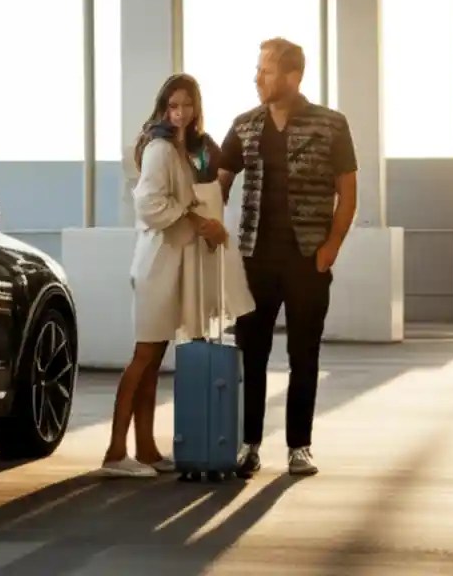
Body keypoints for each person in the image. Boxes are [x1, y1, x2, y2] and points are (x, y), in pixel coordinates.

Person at [218, 37, 358, 477]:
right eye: (258, 69)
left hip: (306, 260)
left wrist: (330, 249)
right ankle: (249, 445)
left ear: (293, 77)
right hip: (255, 261)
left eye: (266, 70)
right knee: (251, 354)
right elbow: (218, 184)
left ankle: (300, 446)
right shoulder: (244, 126)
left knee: (304, 354)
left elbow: (348, 192)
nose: (257, 78)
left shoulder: (331, 125)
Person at [102, 74, 228, 477]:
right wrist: (197, 220)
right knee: (143, 356)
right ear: (163, 108)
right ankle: (115, 453)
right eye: (173, 106)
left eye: (187, 105)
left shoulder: (184, 149)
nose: (180, 113)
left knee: (153, 359)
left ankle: (146, 449)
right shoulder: (159, 148)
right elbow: (150, 205)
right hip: (156, 261)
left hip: (169, 260)